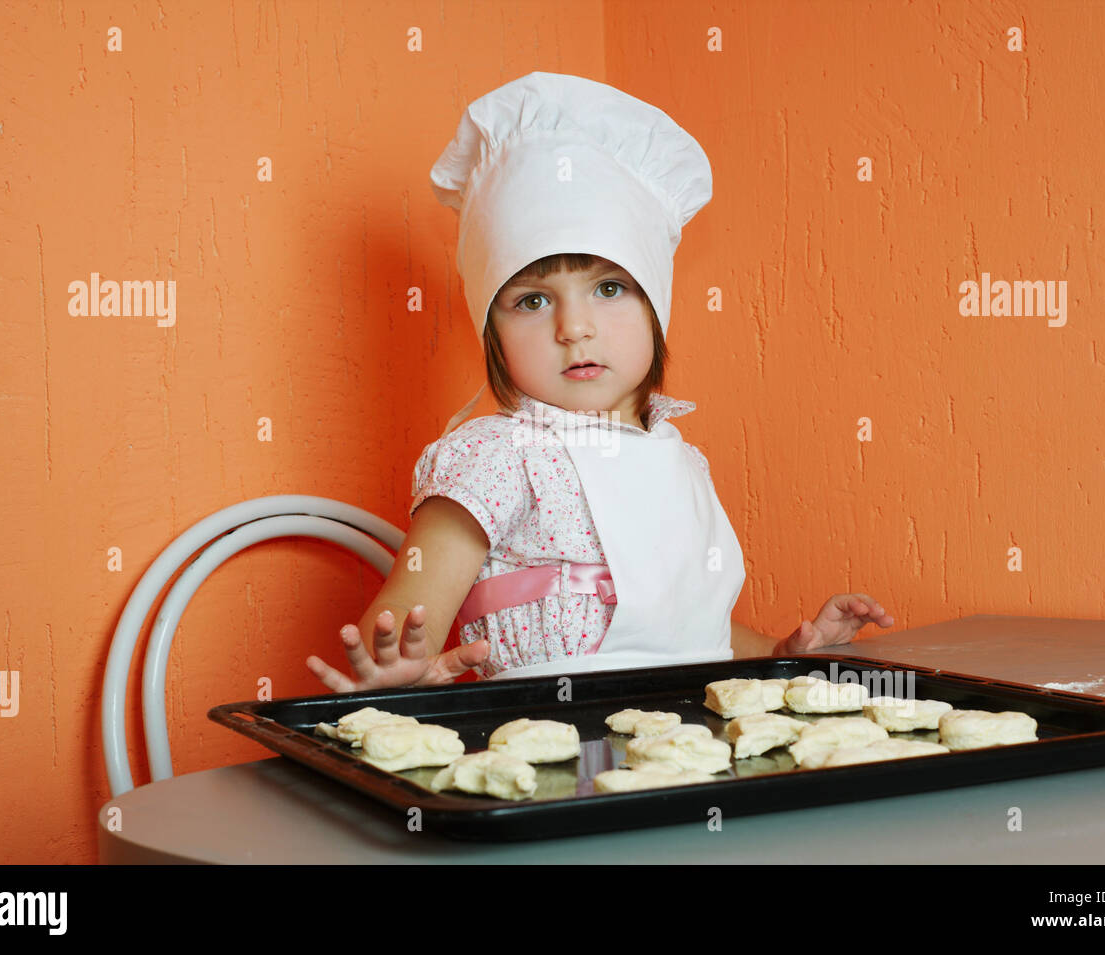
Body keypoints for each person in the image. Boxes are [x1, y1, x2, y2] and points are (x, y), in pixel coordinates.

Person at [306, 72, 892, 692]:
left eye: (609, 289)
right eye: (533, 301)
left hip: (694, 737)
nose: (574, 327)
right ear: (491, 331)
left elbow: (691, 633)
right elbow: (403, 615)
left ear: (656, 307)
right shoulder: (498, 457)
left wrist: (779, 654)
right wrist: (396, 666)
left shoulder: (681, 459)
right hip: (556, 739)